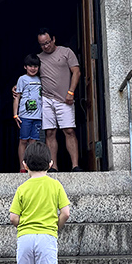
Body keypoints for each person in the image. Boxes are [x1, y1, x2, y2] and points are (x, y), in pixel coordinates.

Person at [37, 29, 81, 171]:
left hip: (65, 99)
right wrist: (17, 87)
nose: (46, 46)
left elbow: (76, 72)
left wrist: (71, 92)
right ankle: (53, 167)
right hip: (47, 99)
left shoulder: (66, 52)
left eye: (47, 42)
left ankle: (75, 166)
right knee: (49, 132)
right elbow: (30, 74)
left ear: (54, 39)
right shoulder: (38, 58)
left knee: (69, 130)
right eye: (42, 44)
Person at [12, 53, 43, 172]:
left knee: (34, 142)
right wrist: (15, 114)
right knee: (23, 140)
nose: (33, 68)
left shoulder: (40, 79)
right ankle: (22, 167)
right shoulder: (22, 79)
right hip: (24, 115)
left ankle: (31, 166)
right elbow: (17, 97)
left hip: (38, 116)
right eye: (30, 66)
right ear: (25, 67)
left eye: (35, 66)